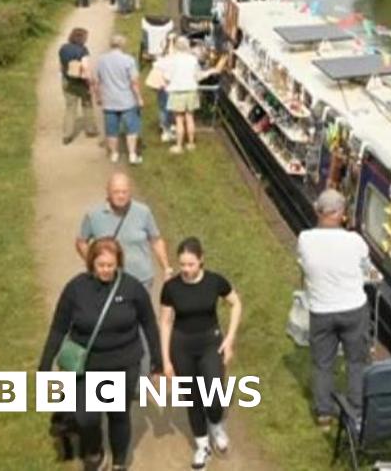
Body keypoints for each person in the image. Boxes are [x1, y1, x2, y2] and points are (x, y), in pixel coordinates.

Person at [39, 238, 161, 471]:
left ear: (118, 264)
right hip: (88, 365)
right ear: (91, 263)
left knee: (118, 415)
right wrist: (45, 366)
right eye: (101, 265)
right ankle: (94, 451)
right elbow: (58, 328)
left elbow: (149, 324)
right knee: (87, 417)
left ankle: (118, 462)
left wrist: (157, 361)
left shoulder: (132, 288)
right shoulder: (76, 288)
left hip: (124, 364)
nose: (106, 270)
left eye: (110, 265)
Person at [160, 238, 242, 469]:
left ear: (201, 260)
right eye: (182, 265)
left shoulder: (215, 282)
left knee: (214, 396)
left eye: (191, 264)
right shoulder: (171, 288)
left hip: (210, 344)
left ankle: (216, 424)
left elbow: (236, 303)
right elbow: (165, 322)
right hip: (181, 347)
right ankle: (202, 445)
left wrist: (230, 339)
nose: (186, 270)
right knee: (193, 398)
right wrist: (166, 360)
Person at [298, 189, 375, 429]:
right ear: (341, 214)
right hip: (353, 309)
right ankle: (355, 412)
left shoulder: (305, 239)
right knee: (356, 361)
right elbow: (367, 270)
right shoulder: (355, 241)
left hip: (321, 310)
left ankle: (324, 414)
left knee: (323, 363)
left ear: (317, 211)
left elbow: (304, 269)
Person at [76, 172, 170, 289]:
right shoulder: (93, 215)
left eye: (124, 192)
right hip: (108, 281)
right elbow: (81, 242)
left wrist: (166, 268)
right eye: (116, 192)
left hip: (141, 280)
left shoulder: (143, 212)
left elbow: (156, 240)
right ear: (108, 192)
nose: (121, 196)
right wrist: (92, 261)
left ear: (130, 192)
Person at [92, 34, 144, 164]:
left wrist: (98, 97)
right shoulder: (129, 60)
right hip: (127, 100)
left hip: (109, 100)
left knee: (111, 130)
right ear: (122, 45)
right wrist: (139, 98)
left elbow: (96, 81)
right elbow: (134, 82)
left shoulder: (101, 60)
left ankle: (114, 154)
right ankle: (132, 154)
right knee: (131, 128)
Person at [161, 36, 207, 154]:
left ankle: (179, 146)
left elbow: (167, 76)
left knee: (179, 120)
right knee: (190, 118)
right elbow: (197, 75)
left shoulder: (173, 59)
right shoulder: (193, 59)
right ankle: (191, 143)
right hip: (191, 90)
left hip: (177, 91)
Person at [59, 27, 99, 144]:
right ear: (82, 38)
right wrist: (90, 82)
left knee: (70, 108)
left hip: (67, 80)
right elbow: (86, 68)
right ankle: (90, 130)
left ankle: (67, 135)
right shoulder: (83, 50)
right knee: (87, 105)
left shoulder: (63, 48)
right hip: (81, 83)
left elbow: (61, 65)